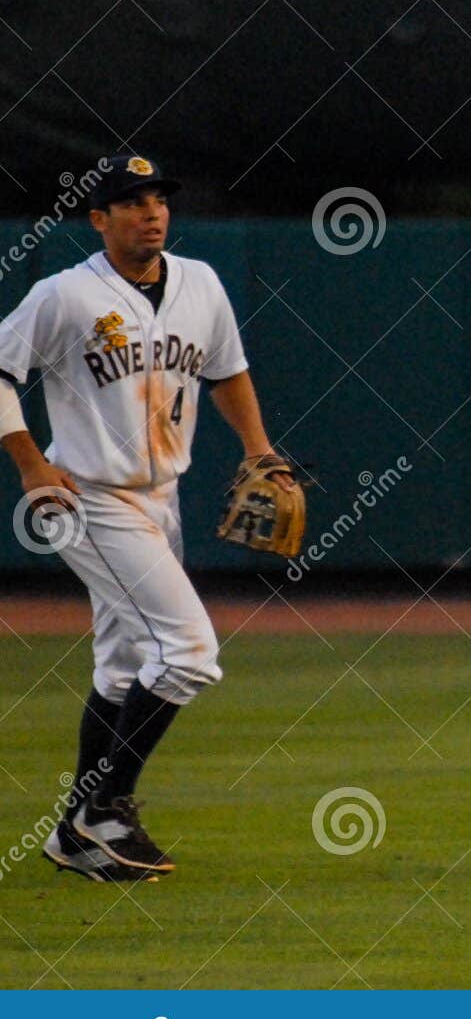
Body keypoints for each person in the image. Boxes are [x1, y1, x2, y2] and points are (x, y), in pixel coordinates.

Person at [0, 154, 293, 882]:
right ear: (98, 219)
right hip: (89, 499)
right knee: (189, 649)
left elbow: (226, 370)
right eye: (131, 202)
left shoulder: (201, 284)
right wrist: (33, 465)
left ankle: (76, 835)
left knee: (127, 662)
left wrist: (259, 449)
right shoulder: (64, 295)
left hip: (162, 499)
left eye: (158, 198)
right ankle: (104, 809)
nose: (151, 211)